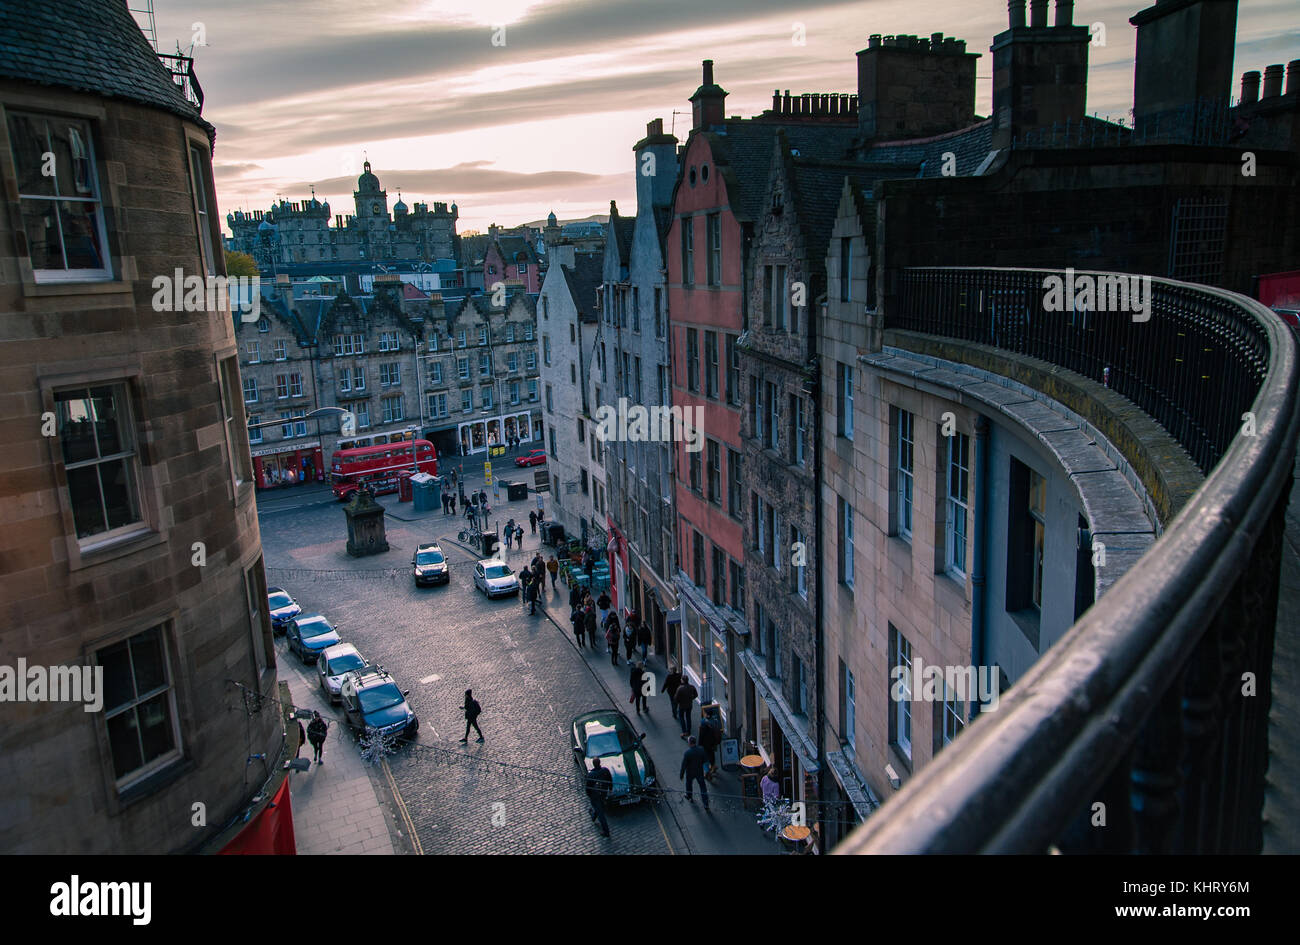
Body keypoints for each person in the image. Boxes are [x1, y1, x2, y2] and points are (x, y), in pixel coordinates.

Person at [585, 756, 613, 837]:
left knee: (600, 813)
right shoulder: (605, 771)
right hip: (603, 794)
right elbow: (610, 780)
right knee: (599, 807)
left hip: (595, 796)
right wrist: (610, 789)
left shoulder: (591, 775)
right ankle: (593, 816)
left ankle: (606, 831)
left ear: (593, 764)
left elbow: (588, 788)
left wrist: (589, 795)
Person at [680, 736, 709, 810]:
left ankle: (689, 796)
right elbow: (705, 760)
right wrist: (706, 770)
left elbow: (684, 765)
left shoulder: (687, 753)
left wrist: (681, 774)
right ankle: (705, 804)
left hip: (690, 772)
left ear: (689, 743)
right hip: (699, 771)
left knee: (689, 784)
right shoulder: (701, 750)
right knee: (703, 787)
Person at [698, 712, 722, 781]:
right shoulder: (715, 722)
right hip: (713, 743)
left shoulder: (703, 724)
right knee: (712, 754)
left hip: (705, 744)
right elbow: (719, 732)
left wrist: (699, 745)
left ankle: (707, 771)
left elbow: (701, 737)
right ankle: (713, 766)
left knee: (705, 758)